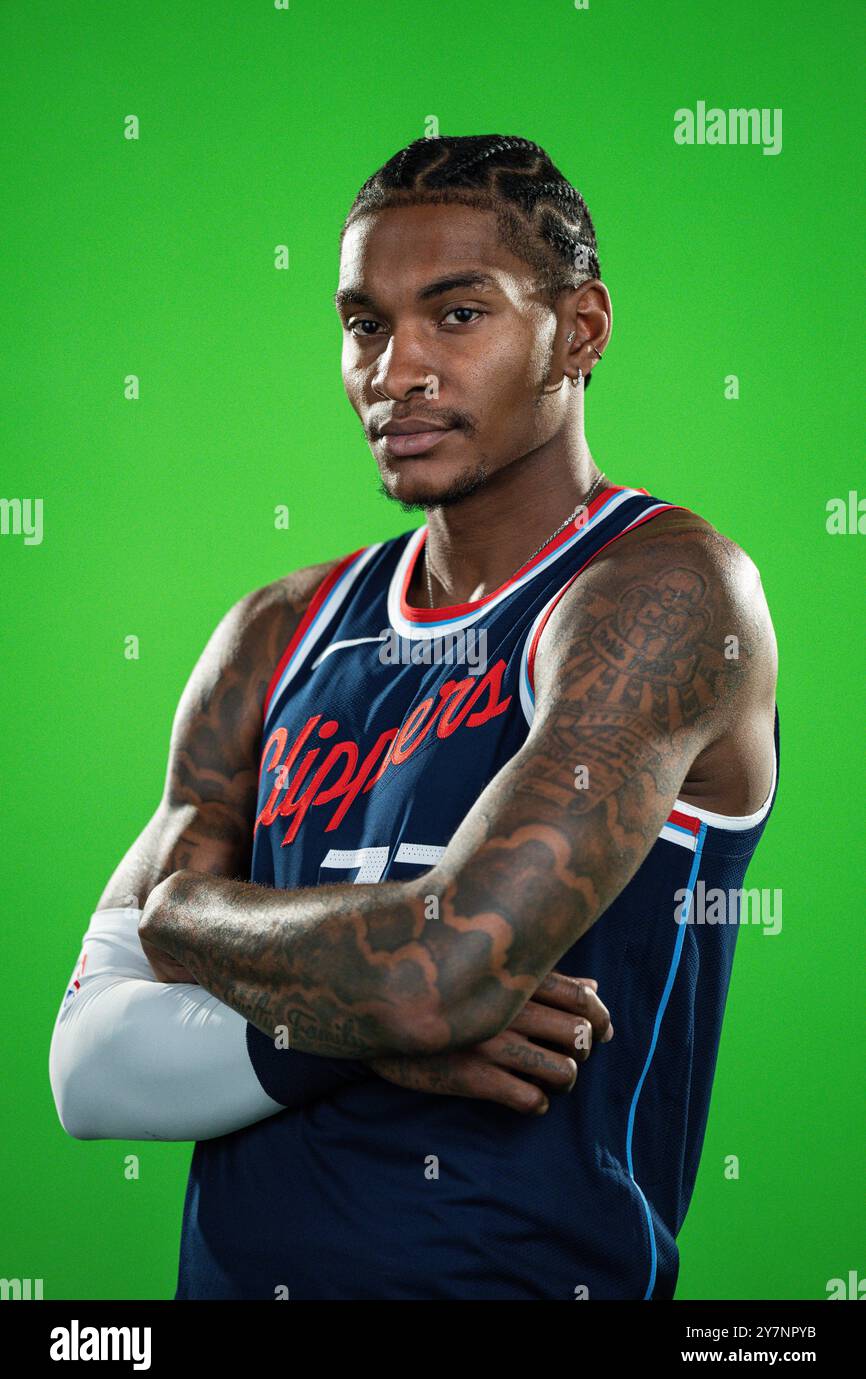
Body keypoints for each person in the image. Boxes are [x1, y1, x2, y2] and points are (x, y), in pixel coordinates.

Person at [50, 134, 778, 1300]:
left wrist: (187, 920)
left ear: (578, 330)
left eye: (456, 316)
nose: (397, 370)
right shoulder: (278, 631)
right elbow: (88, 1067)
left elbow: (440, 973)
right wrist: (378, 1026)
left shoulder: (661, 598)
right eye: (364, 325)